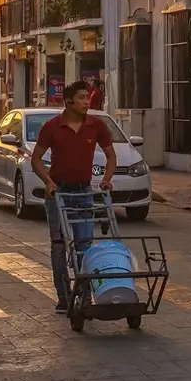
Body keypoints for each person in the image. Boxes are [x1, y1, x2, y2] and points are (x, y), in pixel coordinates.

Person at [29, 79, 112, 315]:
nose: (88, 102)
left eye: (88, 97)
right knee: (59, 247)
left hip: (85, 192)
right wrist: (49, 182)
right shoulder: (52, 126)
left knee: (85, 246)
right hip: (58, 195)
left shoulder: (96, 125)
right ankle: (63, 296)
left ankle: (85, 296)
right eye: (83, 98)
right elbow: (36, 159)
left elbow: (110, 154)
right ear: (68, 101)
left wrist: (106, 179)